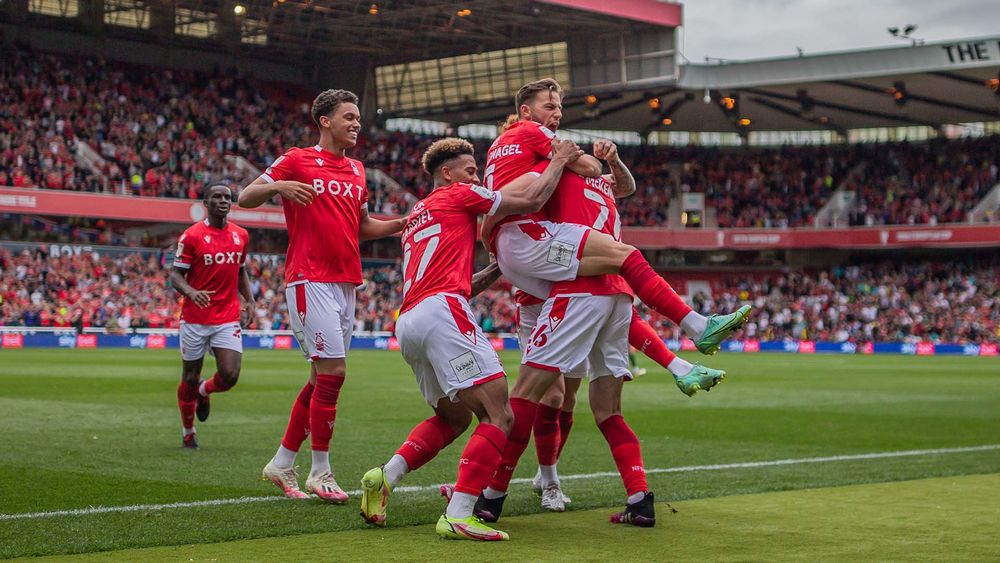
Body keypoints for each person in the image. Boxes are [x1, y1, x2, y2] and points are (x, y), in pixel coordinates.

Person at [478, 152, 727, 527]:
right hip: (619, 292)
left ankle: (492, 497)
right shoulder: (601, 184)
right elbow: (623, 185)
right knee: (607, 411)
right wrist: (610, 161)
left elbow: (520, 200)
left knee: (527, 394)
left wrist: (489, 229)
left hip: (576, 288)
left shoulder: (556, 173)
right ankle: (640, 499)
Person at [358, 137, 583, 541]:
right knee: (501, 413)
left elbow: (457, 281)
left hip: (410, 319)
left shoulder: (418, 214)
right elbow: (531, 199)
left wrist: (498, 269)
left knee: (454, 416)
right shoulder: (458, 195)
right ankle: (460, 512)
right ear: (448, 174)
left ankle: (385, 476)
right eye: (470, 169)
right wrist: (560, 160)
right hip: (442, 313)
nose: (477, 176)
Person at [480, 77, 750, 356]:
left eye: (559, 107)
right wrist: (572, 156)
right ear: (526, 111)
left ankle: (684, 356)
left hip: (513, 250)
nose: (557, 114)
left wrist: (488, 235)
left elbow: (618, 184)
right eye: (549, 106)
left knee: (556, 379)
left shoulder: (506, 151)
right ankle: (696, 328)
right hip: (529, 239)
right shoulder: (533, 133)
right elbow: (590, 167)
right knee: (624, 261)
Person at [239, 89, 407, 502]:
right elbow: (245, 196)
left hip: (346, 281)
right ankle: (320, 471)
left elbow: (362, 227)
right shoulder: (297, 159)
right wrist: (281, 185)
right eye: (349, 117)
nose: (356, 124)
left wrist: (404, 222)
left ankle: (281, 463)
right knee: (334, 373)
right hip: (308, 278)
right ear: (325, 121)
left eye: (358, 119)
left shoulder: (358, 170)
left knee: (320, 379)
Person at [169, 184, 253, 449]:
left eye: (227, 197)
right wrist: (191, 292)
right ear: (206, 202)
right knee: (189, 377)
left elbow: (240, 271)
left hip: (227, 316)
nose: (223, 201)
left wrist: (249, 300)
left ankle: (204, 392)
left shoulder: (241, 235)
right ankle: (188, 431)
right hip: (195, 318)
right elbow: (174, 275)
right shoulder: (191, 236)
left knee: (229, 375)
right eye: (217, 197)